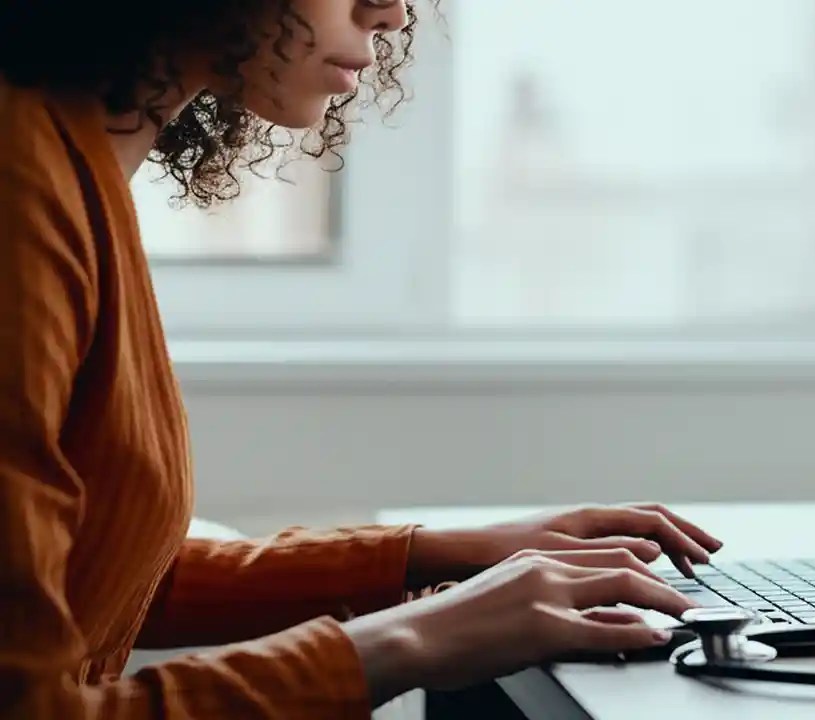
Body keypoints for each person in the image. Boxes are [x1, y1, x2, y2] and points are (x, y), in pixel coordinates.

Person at [0, 2, 722, 717]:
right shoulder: (22, 187)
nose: (392, 12)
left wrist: (452, 555)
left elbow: (107, 579)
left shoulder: (70, 158)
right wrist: (409, 639)